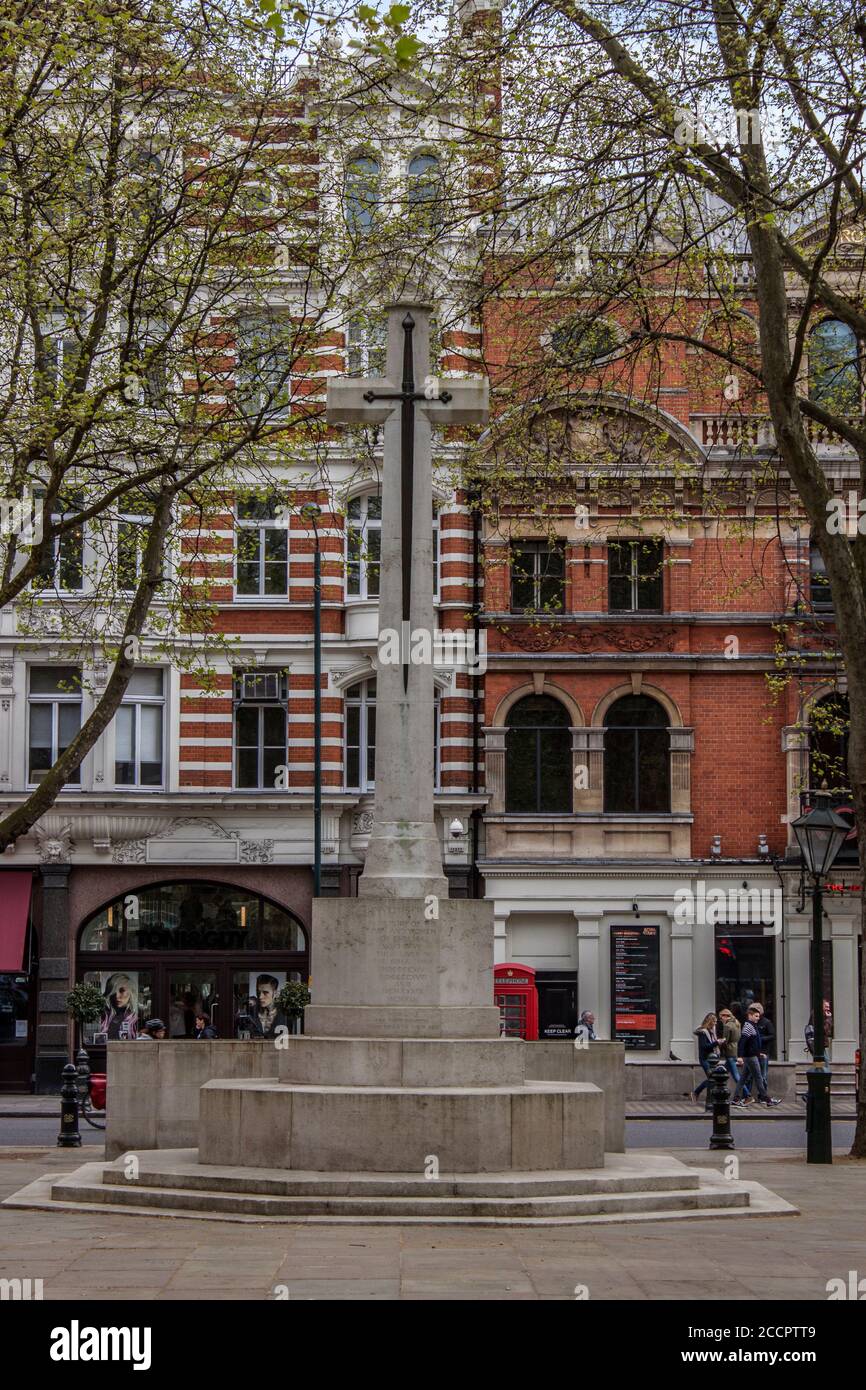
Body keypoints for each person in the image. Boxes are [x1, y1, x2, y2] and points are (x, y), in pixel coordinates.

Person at [732, 1007, 781, 1107]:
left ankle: (736, 1098)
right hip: (750, 1057)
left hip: (752, 1056)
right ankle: (767, 1099)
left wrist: (759, 1054)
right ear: (750, 1015)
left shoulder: (752, 1025)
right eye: (756, 1016)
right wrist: (740, 1056)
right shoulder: (748, 1027)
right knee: (758, 1078)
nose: (758, 1018)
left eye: (758, 1016)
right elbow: (742, 1042)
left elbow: (753, 1044)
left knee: (743, 1079)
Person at [100, 973, 138, 1041]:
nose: (117, 996)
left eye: (122, 990)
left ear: (131, 992)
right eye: (113, 991)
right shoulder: (103, 1014)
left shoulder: (134, 1018)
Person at [692, 1013, 720, 1105]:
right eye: (714, 1022)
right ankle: (697, 1093)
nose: (716, 1024)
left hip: (711, 1058)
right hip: (705, 1058)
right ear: (710, 1022)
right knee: (712, 1078)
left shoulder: (712, 1031)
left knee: (713, 1078)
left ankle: (697, 1093)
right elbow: (704, 1046)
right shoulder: (703, 1032)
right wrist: (716, 1043)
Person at [249, 974, 287, 1038]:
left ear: (275, 993)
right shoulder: (252, 1011)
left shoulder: (284, 1013)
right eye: (258, 992)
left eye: (265, 993)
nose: (260, 997)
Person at [717, 1008, 741, 1090]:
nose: (721, 1020)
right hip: (735, 1050)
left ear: (725, 1016)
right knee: (719, 1075)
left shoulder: (727, 1026)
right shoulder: (737, 1023)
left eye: (721, 1018)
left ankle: (748, 1095)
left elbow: (725, 1041)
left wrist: (719, 1049)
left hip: (729, 1052)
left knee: (736, 1076)